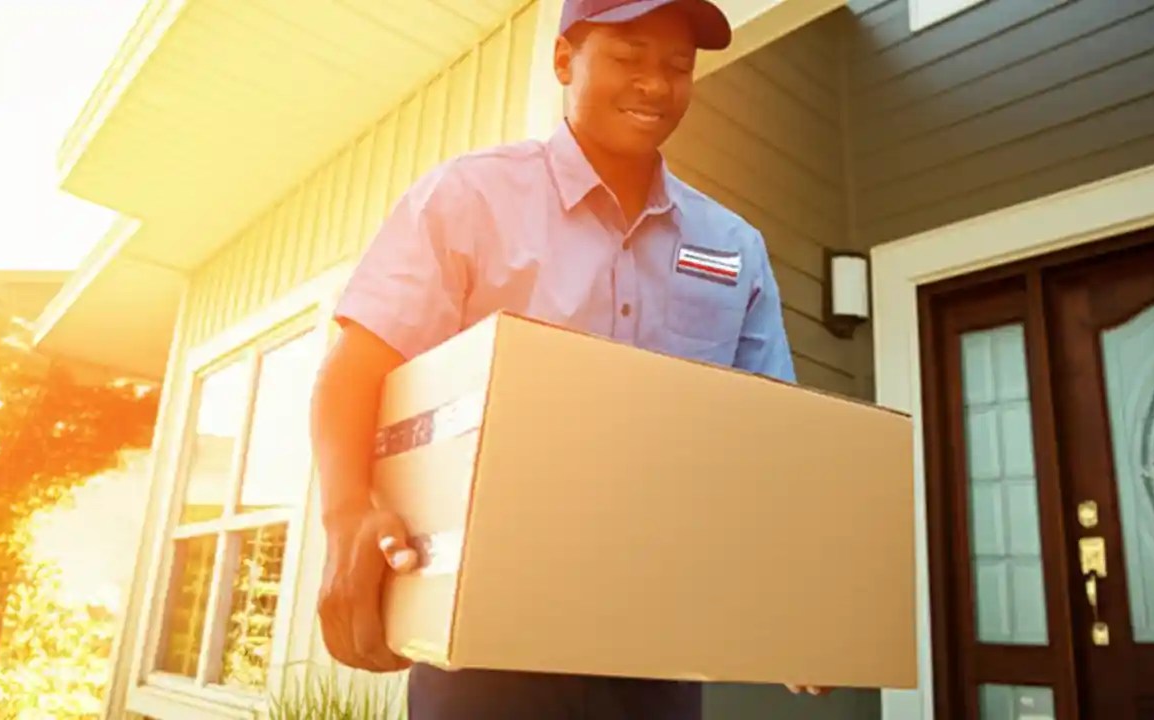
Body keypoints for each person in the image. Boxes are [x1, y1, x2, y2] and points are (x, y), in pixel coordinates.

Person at [310, 0, 832, 716]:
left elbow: (772, 437)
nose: (656, 84)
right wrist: (345, 515)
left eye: (678, 67)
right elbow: (357, 366)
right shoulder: (469, 198)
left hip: (659, 654)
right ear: (564, 60)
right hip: (483, 647)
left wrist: (795, 593)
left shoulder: (734, 246)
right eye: (628, 57)